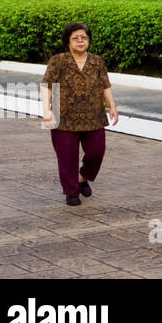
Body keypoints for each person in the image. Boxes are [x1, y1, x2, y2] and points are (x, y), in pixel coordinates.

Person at [40, 23, 119, 206]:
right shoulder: (58, 61)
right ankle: (72, 192)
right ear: (68, 41)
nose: (80, 41)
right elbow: (47, 86)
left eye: (84, 37)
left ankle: (82, 177)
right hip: (63, 117)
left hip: (94, 115)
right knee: (67, 157)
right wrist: (46, 110)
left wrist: (112, 106)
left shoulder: (97, 61)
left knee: (96, 151)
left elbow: (105, 85)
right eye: (75, 38)